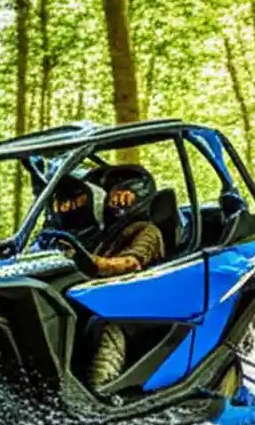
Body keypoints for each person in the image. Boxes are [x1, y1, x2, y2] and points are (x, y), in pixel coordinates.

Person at [45, 165, 166, 388]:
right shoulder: (104, 233)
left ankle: (103, 389)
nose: (112, 197)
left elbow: (131, 263)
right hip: (97, 299)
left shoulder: (148, 230)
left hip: (134, 309)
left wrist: (93, 263)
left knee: (105, 324)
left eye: (119, 192)